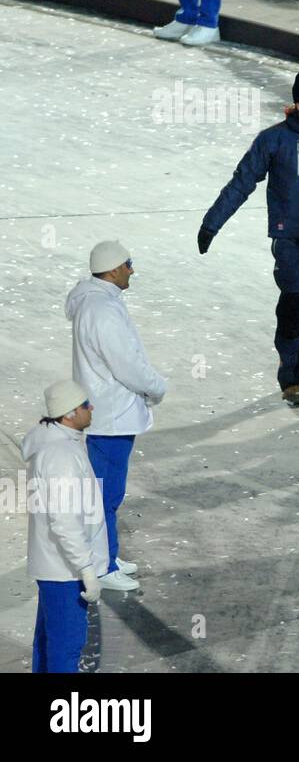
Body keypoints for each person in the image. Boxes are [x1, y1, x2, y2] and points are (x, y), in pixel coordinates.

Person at [199, 68, 299, 405]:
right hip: (290, 241)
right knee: (296, 303)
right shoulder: (273, 140)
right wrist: (212, 223)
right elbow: (242, 181)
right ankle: (291, 373)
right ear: (298, 104)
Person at [64, 241, 167, 593]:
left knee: (105, 493)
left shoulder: (92, 302)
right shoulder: (103, 311)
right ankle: (102, 566)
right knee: (105, 496)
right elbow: (128, 365)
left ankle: (107, 553)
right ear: (112, 269)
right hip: (111, 416)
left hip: (106, 412)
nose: (132, 270)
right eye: (128, 264)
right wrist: (156, 388)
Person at [24, 380, 108, 673]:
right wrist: (86, 568)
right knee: (67, 646)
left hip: (56, 566)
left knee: (49, 641)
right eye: (85, 404)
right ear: (69, 414)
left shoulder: (56, 445)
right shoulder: (62, 455)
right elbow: (65, 520)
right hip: (65, 571)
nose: (91, 408)